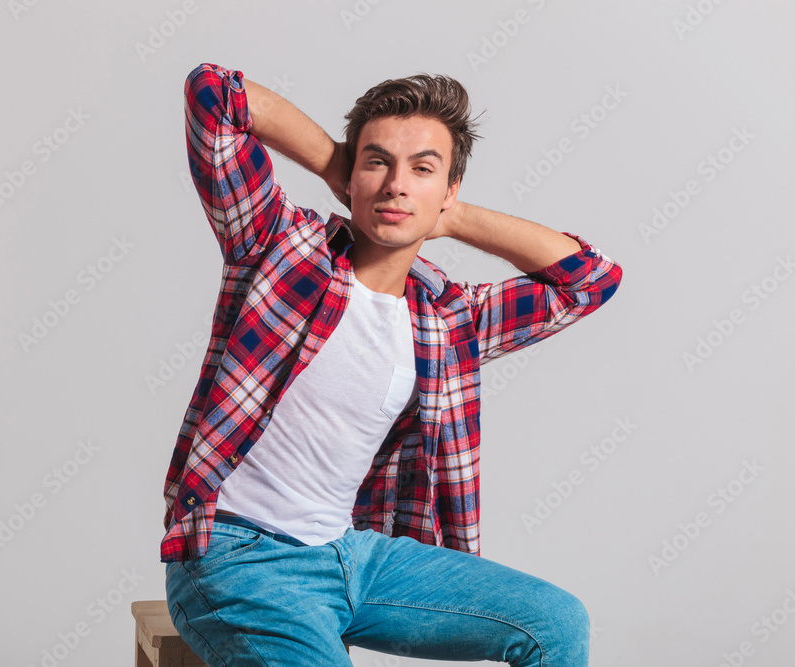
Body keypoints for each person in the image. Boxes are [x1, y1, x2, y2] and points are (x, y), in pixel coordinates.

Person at [160, 61, 622, 666]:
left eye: (422, 170)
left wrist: (446, 217)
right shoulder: (277, 248)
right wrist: (338, 166)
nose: (396, 185)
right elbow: (214, 93)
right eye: (378, 161)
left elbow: (590, 279)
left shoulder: (449, 318)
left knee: (555, 622)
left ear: (450, 188)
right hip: (239, 557)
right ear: (354, 174)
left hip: (352, 556)